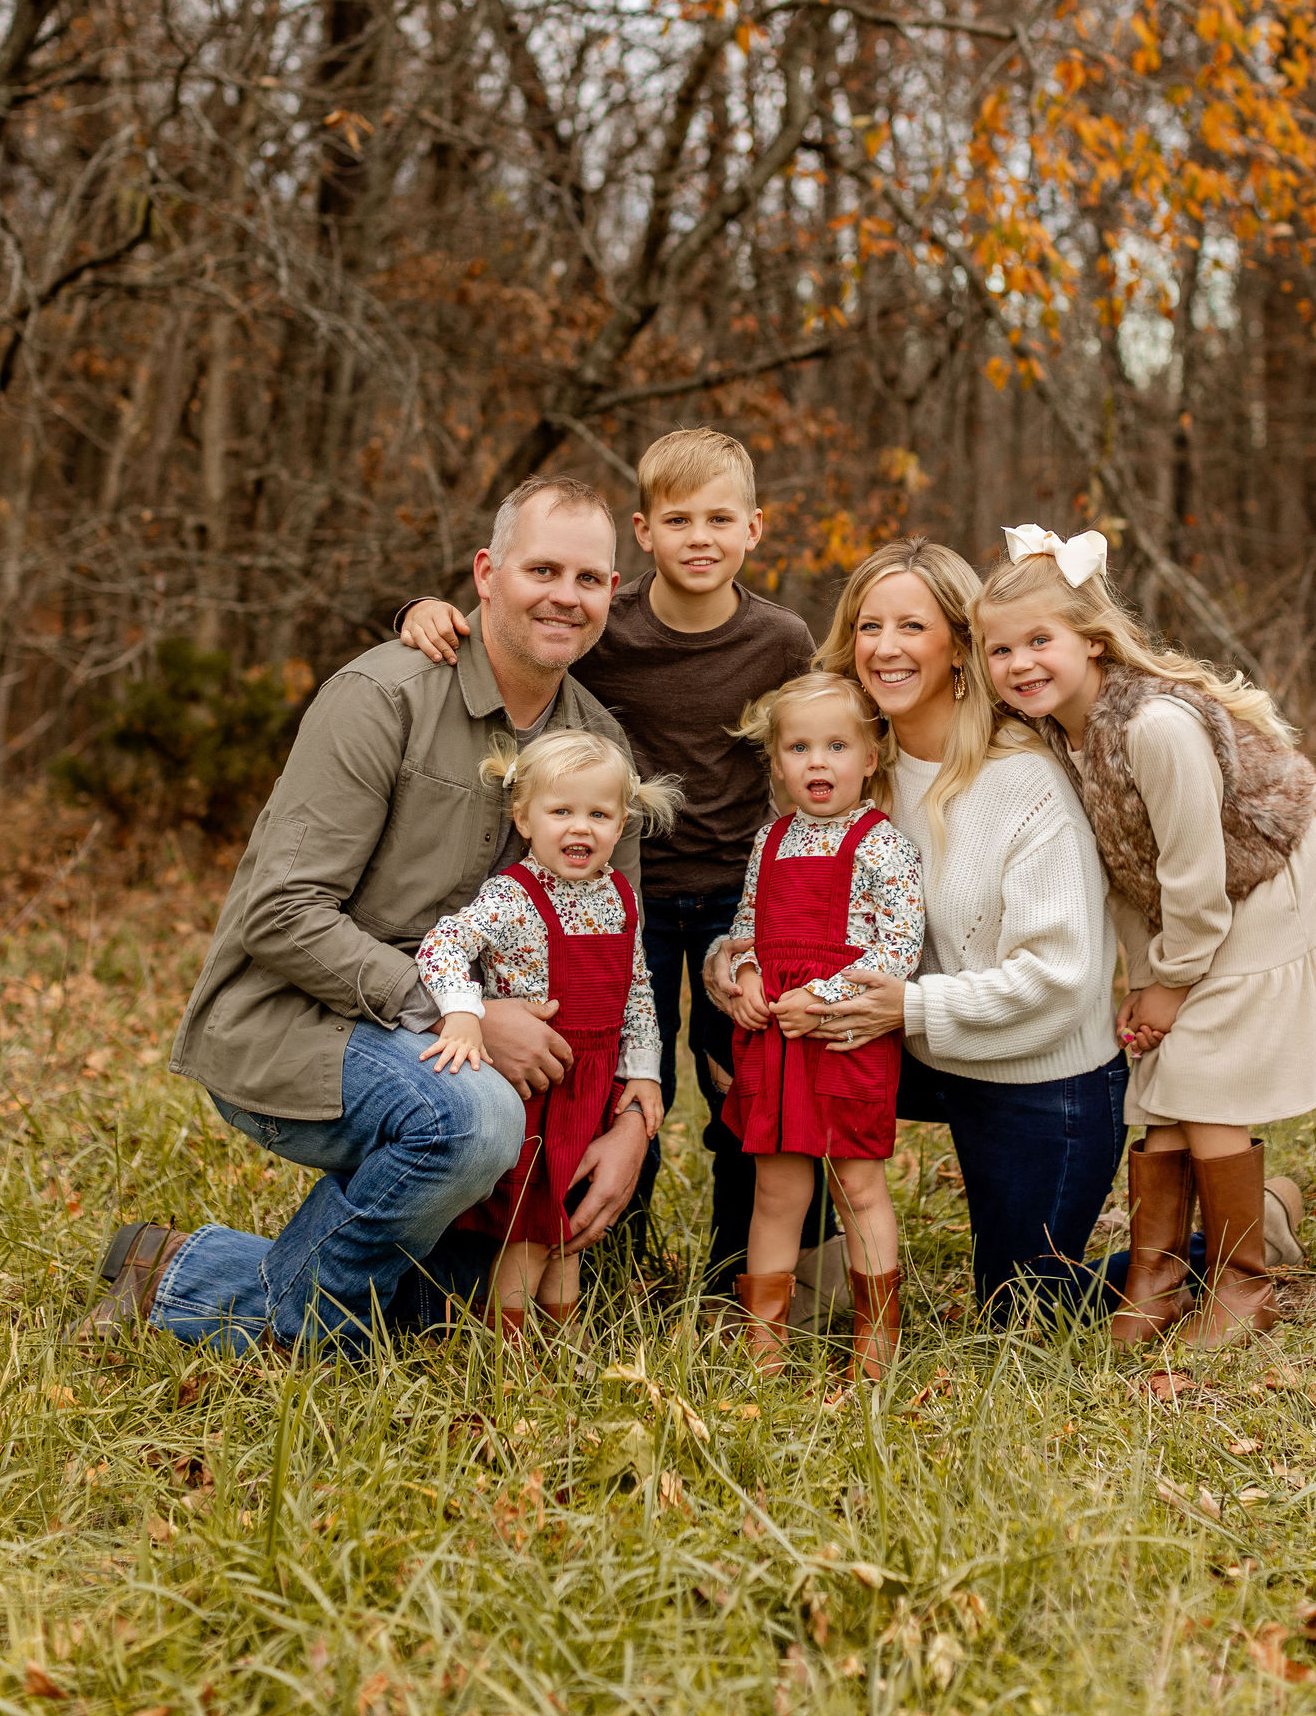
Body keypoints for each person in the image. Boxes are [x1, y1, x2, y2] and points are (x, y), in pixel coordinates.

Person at [75, 477, 651, 1353]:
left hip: (490, 1053)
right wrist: (463, 1014)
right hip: (298, 1021)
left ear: (613, 591)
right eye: (543, 569)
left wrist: (633, 1120)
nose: (565, 597)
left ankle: (181, 1267)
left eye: (588, 578)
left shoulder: (599, 753)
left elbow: (618, 952)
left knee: (483, 1288)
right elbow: (281, 912)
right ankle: (286, 1329)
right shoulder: (383, 697)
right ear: (487, 574)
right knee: (474, 1122)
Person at [396, 427, 824, 1291]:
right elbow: (513, 632)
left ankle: (747, 1269)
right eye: (677, 519)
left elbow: (821, 734)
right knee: (626, 1072)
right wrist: (419, 613)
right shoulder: (607, 624)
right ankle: (605, 1253)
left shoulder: (781, 640)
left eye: (719, 519)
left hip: (739, 899)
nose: (698, 538)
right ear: (642, 532)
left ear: (755, 529)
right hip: (613, 894)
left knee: (746, 1076)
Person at [978, 522, 1316, 1346]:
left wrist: (1174, 980)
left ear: (1093, 642)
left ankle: (1244, 1288)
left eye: (1040, 641)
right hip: (1194, 901)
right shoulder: (1065, 737)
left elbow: (1196, 877)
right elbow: (1134, 872)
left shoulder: (1152, 726)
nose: (1020, 663)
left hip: (1267, 881)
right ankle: (1156, 1281)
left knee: (1203, 1074)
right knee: (1162, 1085)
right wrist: (1146, 978)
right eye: (999, 651)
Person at [708, 537, 1126, 1324]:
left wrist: (909, 1006)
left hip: (1035, 1068)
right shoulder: (852, 763)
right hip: (914, 1053)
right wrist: (733, 970)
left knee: (1025, 1313)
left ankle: (1239, 1233)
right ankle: (790, 1265)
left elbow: (1063, 979)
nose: (885, 648)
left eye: (912, 627)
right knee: (747, 1053)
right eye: (869, 626)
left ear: (960, 647)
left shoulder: (1020, 780)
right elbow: (778, 910)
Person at [416, 731, 677, 1338]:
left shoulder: (621, 897)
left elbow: (638, 989)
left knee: (567, 1238)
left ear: (622, 822)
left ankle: (562, 1349)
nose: (578, 828)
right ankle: (511, 1360)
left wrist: (642, 1071)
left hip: (593, 1091)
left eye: (598, 814)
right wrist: (464, 1012)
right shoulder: (513, 896)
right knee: (530, 1233)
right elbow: (443, 945)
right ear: (524, 818)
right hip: (537, 1088)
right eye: (561, 811)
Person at [719, 673, 925, 1375]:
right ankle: (764, 1343)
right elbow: (746, 930)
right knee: (777, 1191)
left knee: (857, 1187)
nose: (817, 762)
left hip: (845, 1037)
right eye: (799, 747)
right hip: (776, 1039)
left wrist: (825, 996)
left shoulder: (881, 845)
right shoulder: (770, 841)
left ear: (870, 758)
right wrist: (742, 976)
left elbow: (899, 948)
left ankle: (876, 1336)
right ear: (776, 761)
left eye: (837, 745)